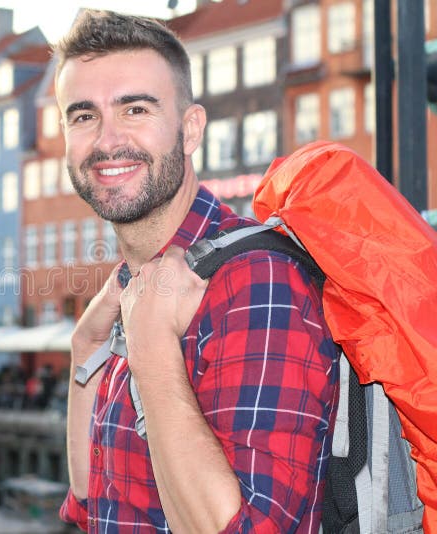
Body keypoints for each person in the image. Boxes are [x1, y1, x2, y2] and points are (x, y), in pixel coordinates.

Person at [53, 10, 339, 533]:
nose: (106, 139)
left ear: (190, 130)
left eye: (135, 108)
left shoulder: (254, 282)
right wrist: (84, 354)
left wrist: (153, 349)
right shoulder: (134, 292)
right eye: (82, 115)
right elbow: (92, 502)